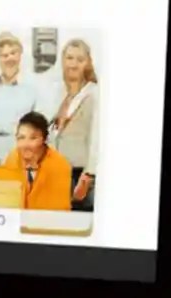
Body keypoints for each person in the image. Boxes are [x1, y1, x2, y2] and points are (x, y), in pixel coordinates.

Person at [50, 38, 100, 212]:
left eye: (80, 59)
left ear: (88, 63)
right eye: (69, 58)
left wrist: (88, 176)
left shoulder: (94, 93)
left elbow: (97, 139)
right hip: (58, 173)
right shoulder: (60, 94)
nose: (74, 64)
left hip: (80, 175)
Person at [0, 32, 38, 163]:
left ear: (20, 55)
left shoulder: (33, 90)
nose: (9, 58)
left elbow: (37, 131)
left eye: (13, 53)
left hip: (25, 161)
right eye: (4, 55)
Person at [0, 111, 72, 211]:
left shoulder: (60, 165)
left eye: (32, 138)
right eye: (21, 138)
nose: (25, 144)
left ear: (44, 139)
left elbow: (58, 210)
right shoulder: (12, 158)